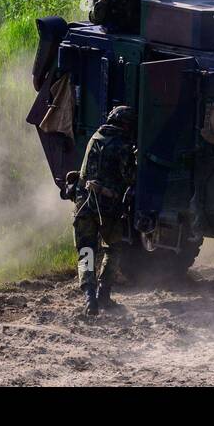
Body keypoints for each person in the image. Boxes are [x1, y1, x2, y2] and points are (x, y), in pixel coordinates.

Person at [69, 105, 138, 315]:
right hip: (109, 207)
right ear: (126, 124)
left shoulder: (94, 138)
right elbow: (130, 177)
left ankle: (89, 297)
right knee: (113, 248)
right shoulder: (123, 145)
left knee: (87, 251)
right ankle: (104, 294)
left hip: (84, 203)